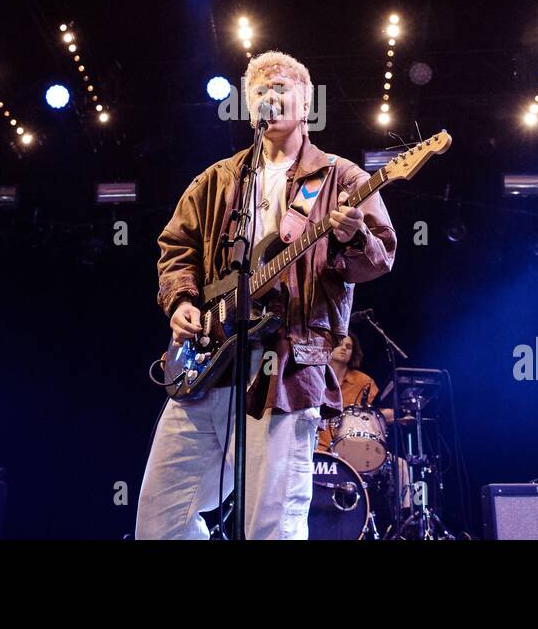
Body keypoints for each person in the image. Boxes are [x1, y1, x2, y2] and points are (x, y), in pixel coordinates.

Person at [135, 50, 397, 539]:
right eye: (260, 90)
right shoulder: (217, 179)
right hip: (207, 365)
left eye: (282, 88)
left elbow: (380, 257)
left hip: (284, 367)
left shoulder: (340, 177)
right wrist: (183, 301)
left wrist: (351, 235)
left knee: (269, 524)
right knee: (160, 518)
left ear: (307, 104)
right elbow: (176, 246)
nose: (270, 98)